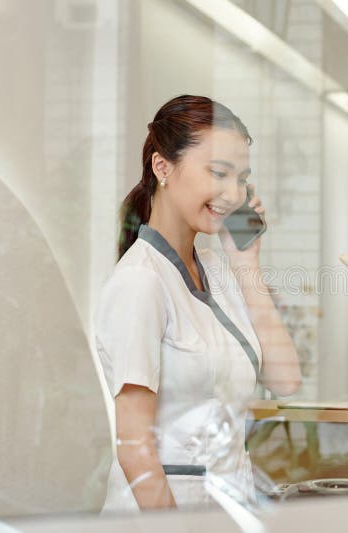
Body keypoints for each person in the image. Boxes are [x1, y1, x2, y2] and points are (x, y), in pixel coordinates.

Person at [93, 94, 301, 514]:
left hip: (224, 505)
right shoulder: (141, 281)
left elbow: (285, 380)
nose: (232, 193)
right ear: (162, 167)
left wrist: (247, 263)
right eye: (219, 173)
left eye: (242, 178)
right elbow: (134, 449)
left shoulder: (216, 270)